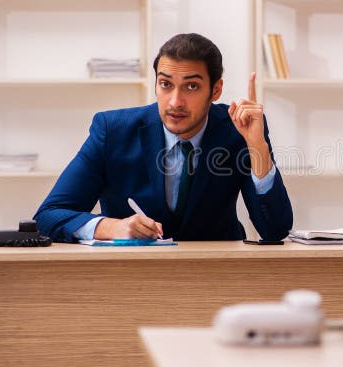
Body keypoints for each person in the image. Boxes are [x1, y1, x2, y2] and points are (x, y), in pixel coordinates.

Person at [34, 33, 293, 243]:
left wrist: (257, 146)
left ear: (215, 90)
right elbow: (47, 216)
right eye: (166, 84)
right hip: (130, 272)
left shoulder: (238, 129)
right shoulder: (113, 131)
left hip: (215, 272)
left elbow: (275, 230)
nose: (175, 102)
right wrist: (111, 227)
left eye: (191, 86)